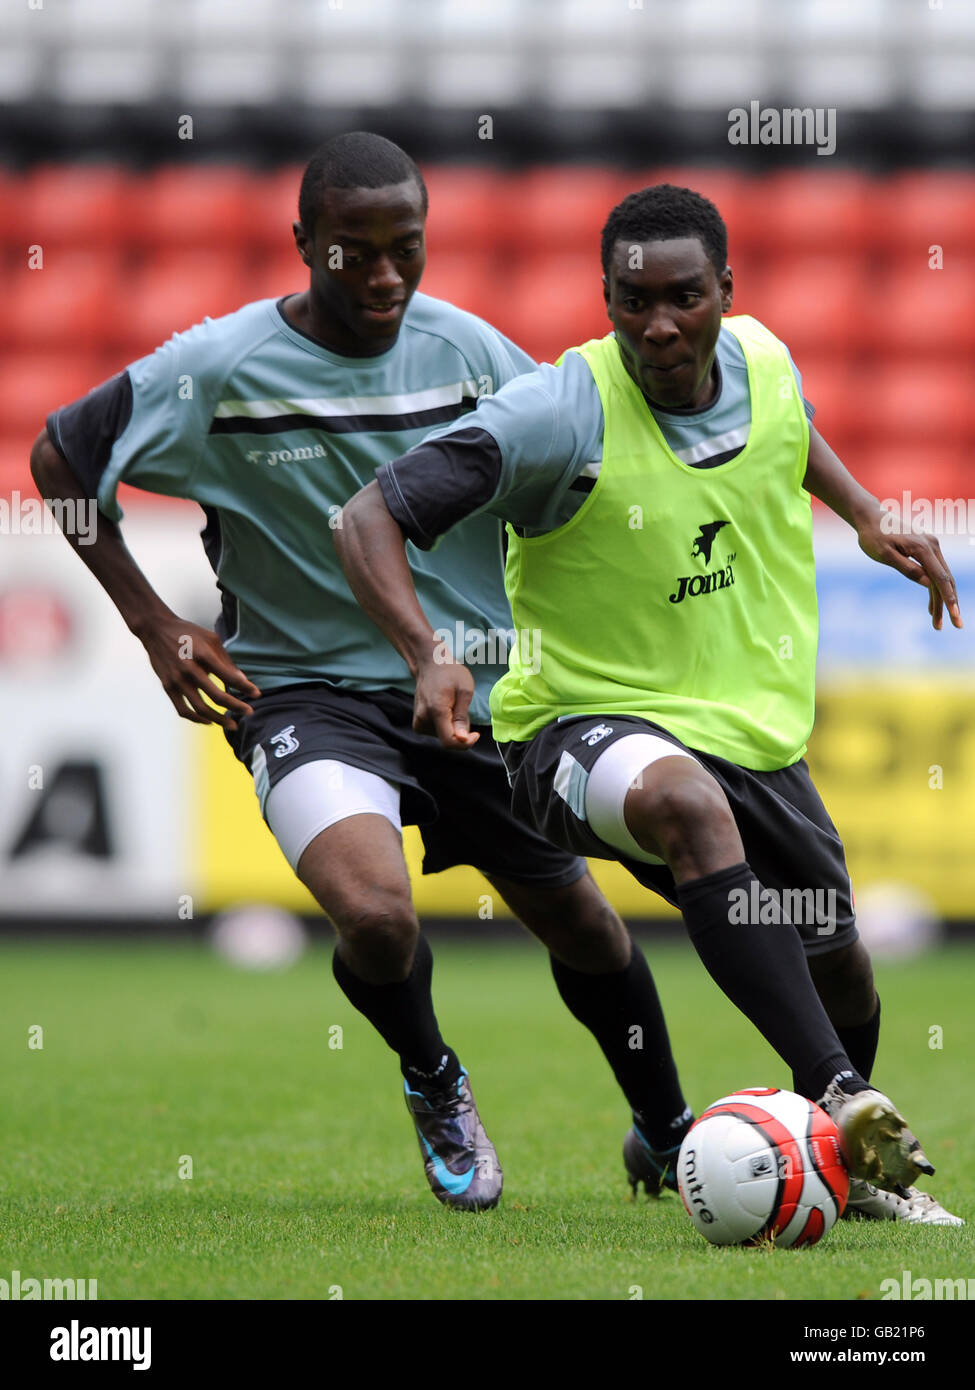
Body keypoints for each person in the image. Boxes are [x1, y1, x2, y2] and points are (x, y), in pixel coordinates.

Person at [30, 135, 697, 1213]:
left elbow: (579, 482)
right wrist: (153, 623)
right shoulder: (218, 368)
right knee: (376, 915)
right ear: (303, 245)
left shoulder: (477, 356)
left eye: (406, 250)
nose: (383, 277)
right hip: (301, 695)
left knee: (582, 924)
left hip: (472, 697)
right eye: (354, 253)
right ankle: (434, 1075)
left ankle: (669, 1133)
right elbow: (60, 458)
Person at [335, 183, 964, 1224]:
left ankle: (821, 1157)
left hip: (748, 726)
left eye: (684, 298)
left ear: (727, 289)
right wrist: (428, 652)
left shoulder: (763, 357)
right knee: (684, 805)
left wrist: (863, 513)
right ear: (606, 297)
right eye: (634, 303)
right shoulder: (558, 410)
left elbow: (788, 429)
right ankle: (844, 1098)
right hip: (573, 724)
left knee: (841, 964)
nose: (660, 325)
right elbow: (368, 516)